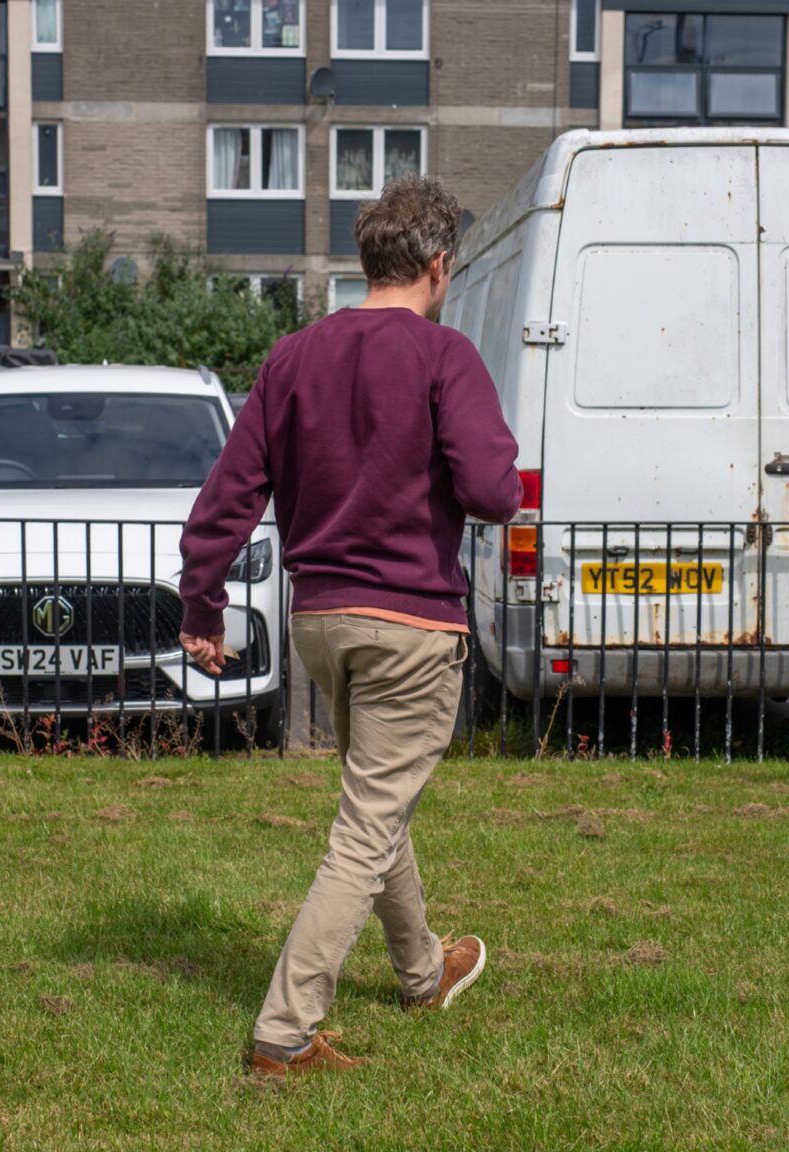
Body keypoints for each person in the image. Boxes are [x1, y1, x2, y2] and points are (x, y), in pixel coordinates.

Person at [177, 177, 523, 1078]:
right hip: (410, 621)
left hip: (321, 624)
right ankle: (284, 1034)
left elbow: (225, 500)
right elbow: (491, 493)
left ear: (366, 260)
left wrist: (202, 608)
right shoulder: (445, 358)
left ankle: (421, 973)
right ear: (439, 267)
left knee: (379, 799)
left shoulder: (290, 358)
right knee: (368, 824)